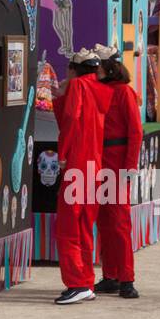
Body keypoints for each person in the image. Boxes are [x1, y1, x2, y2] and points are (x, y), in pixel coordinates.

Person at [51, 48, 112, 304]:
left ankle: (77, 283)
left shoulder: (78, 87)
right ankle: (85, 280)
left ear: (74, 70)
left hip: (77, 163)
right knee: (85, 226)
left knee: (68, 227)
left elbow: (70, 119)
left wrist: (62, 154)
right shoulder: (102, 89)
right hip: (94, 166)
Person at [92, 45, 144, 299]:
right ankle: (110, 274)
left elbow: (135, 132)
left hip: (116, 162)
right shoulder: (98, 90)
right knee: (103, 221)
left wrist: (130, 167)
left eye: (98, 66)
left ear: (108, 67)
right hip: (98, 161)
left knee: (119, 223)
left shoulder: (124, 92)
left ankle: (126, 278)